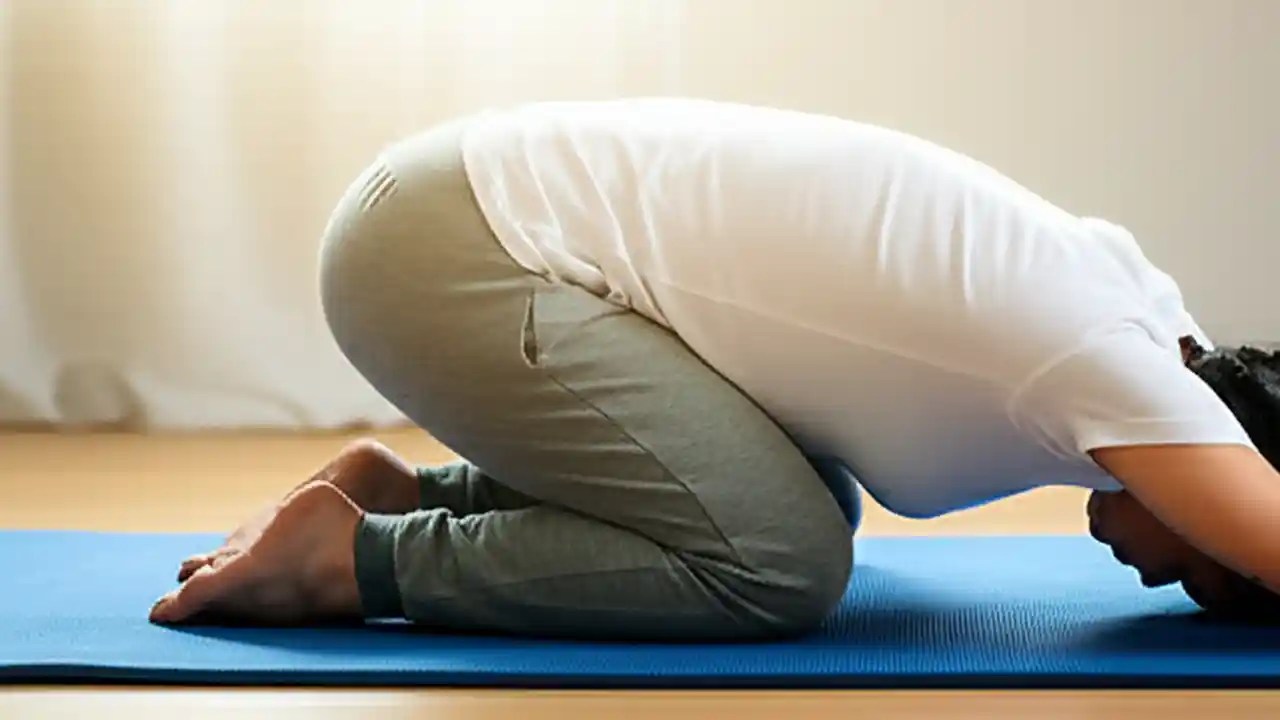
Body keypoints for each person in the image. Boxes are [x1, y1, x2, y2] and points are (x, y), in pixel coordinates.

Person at [150, 99, 1280, 637]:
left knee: (797, 499)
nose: (1180, 586)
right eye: (1218, 577)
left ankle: (408, 494)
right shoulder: (1123, 375)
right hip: (453, 252)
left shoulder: (1142, 317)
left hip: (461, 219)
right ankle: (358, 563)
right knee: (778, 564)